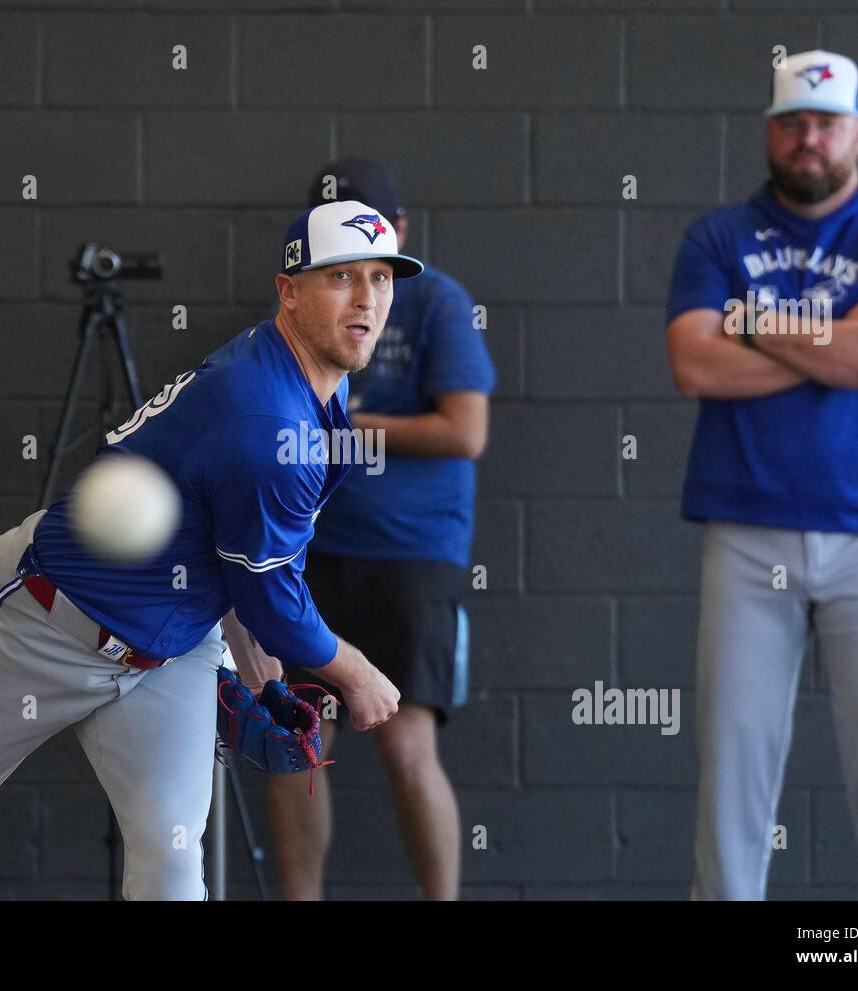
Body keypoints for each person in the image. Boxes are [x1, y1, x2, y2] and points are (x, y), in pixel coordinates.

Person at [0, 199, 411, 901]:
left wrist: (249, 649)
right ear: (289, 290)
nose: (368, 298)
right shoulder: (265, 415)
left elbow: (247, 562)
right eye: (342, 276)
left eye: (381, 277)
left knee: (172, 864)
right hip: (48, 623)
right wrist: (355, 671)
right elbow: (276, 602)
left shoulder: (306, 392)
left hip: (169, 651)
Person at [665, 50, 858, 900]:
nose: (810, 138)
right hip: (746, 528)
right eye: (793, 122)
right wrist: (838, 332)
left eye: (827, 123)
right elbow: (694, 363)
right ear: (769, 132)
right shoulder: (717, 237)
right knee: (733, 758)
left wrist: (752, 323)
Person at [262, 158, 495, 901]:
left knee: (404, 743)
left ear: (400, 232)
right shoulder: (301, 308)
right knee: (296, 744)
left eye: (374, 229)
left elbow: (466, 430)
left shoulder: (438, 303)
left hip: (411, 552)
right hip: (311, 550)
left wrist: (346, 429)